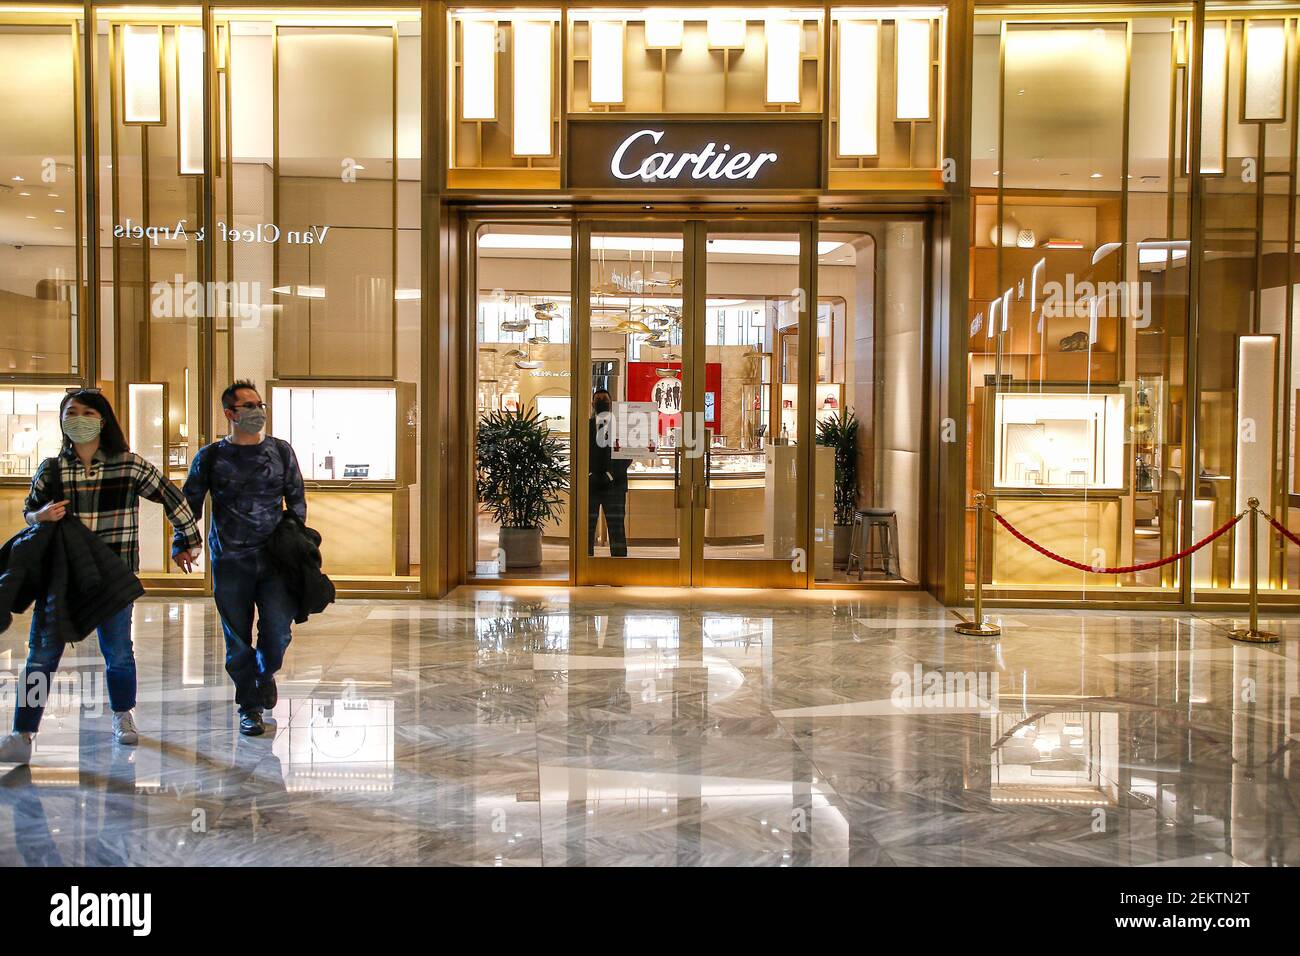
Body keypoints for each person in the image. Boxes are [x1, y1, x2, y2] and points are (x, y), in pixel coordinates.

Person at [0, 389, 202, 764]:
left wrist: (186, 540)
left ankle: (123, 715)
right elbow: (30, 513)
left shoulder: (128, 465)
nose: (77, 418)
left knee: (119, 652)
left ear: (102, 420)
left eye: (87, 412)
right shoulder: (52, 469)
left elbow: (172, 498)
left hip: (113, 574)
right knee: (41, 655)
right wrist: (40, 515)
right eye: (70, 412)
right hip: (62, 576)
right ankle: (22, 732)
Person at [181, 380, 306, 737]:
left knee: (277, 634)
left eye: (259, 404)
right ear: (230, 414)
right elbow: (188, 503)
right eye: (248, 406)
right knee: (237, 639)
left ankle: (265, 673)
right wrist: (184, 542)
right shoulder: (211, 456)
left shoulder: (280, 451)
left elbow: (296, 498)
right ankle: (248, 706)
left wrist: (297, 539)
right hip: (230, 560)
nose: (257, 411)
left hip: (275, 561)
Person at [587, 388, 630, 558]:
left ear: (611, 403)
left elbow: (628, 455)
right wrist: (589, 475)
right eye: (598, 399)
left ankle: (619, 568)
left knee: (617, 528)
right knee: (587, 528)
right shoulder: (585, 426)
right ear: (592, 403)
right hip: (589, 485)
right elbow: (580, 451)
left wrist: (611, 475)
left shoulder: (622, 427)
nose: (601, 401)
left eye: (604, 399)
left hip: (616, 486)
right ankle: (586, 565)